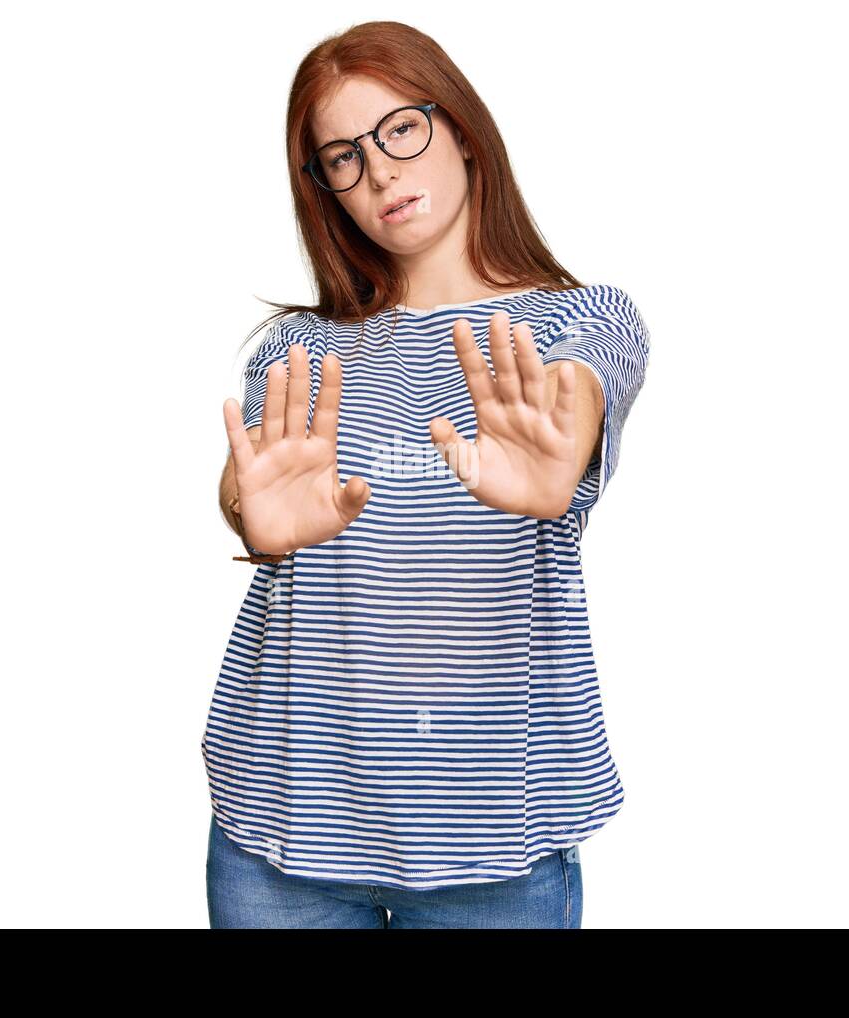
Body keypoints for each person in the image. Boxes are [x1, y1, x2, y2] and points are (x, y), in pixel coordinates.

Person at [203, 21, 651, 929]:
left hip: (495, 849)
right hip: (282, 839)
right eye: (341, 156)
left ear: (460, 127)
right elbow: (243, 481)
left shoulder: (580, 321)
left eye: (399, 130)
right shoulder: (301, 347)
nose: (378, 173)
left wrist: (561, 448)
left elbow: (581, 394)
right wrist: (249, 513)